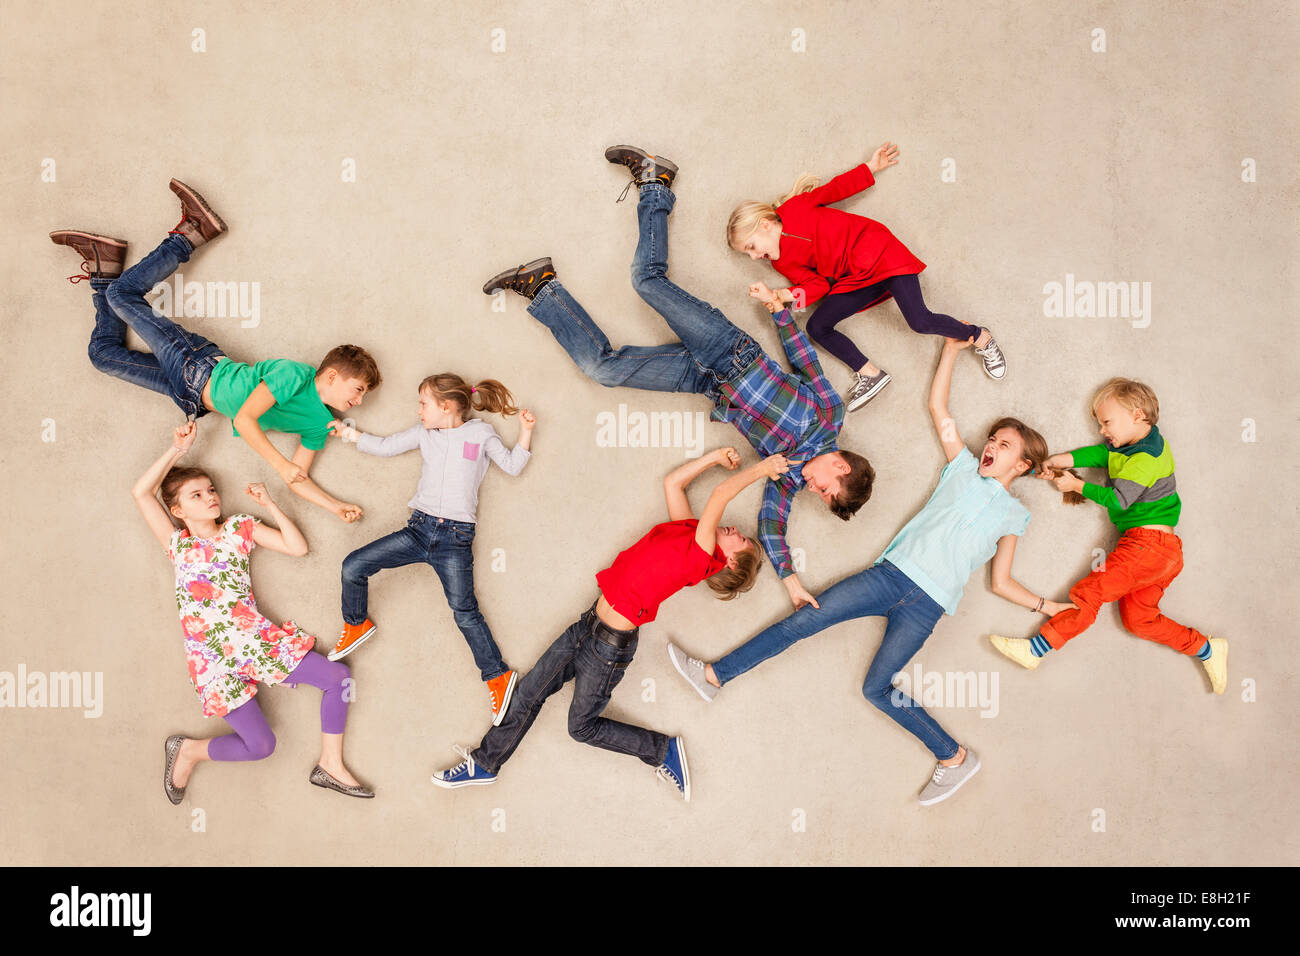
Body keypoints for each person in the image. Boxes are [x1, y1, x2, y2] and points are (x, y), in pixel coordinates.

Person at [667, 337, 1064, 805]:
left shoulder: (1015, 517)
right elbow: (939, 407)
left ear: (1023, 463)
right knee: (805, 618)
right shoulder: (961, 468)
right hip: (889, 577)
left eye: (1004, 445)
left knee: (876, 688)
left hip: (929, 606)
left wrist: (1047, 605)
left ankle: (954, 758)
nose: (991, 447)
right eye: (993, 439)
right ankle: (714, 676)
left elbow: (1001, 581)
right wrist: (952, 351)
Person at [484, 145, 874, 611]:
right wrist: (780, 314)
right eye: (826, 489)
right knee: (645, 281)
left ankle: (542, 288)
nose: (816, 490)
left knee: (602, 370)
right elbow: (804, 360)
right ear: (841, 467)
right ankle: (655, 185)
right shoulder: (830, 414)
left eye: (821, 497)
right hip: (730, 349)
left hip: (704, 382)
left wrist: (791, 583)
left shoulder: (786, 478)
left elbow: (772, 528)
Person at [430, 447, 777, 802]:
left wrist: (764, 468)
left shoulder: (703, 556)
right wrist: (714, 457)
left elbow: (721, 493)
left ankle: (662, 751)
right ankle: (485, 763)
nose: (736, 530)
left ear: (730, 563)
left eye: (743, 540)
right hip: (588, 624)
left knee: (580, 728)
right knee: (527, 692)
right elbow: (673, 483)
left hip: (609, 649)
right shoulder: (688, 533)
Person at [51, 179, 377, 523]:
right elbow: (245, 419)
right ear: (332, 375)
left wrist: (335, 505)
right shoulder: (294, 375)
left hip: (189, 395)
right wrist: (280, 464)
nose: (358, 402)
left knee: (102, 355)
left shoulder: (319, 425)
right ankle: (191, 232)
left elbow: (297, 479)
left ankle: (104, 266)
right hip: (197, 365)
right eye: (358, 390)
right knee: (122, 296)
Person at [132, 422, 373, 803]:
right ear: (177, 510)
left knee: (337, 678)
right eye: (196, 495)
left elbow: (297, 547)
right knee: (261, 745)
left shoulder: (238, 529)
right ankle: (190, 750)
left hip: (254, 643)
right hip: (210, 659)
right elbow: (141, 492)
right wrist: (177, 450)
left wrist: (270, 506)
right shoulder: (176, 544)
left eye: (211, 490)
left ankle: (330, 764)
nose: (210, 497)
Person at [990, 378, 1228, 693]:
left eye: (1106, 422)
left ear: (1137, 415)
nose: (1103, 430)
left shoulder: (1146, 459)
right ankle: (1206, 649)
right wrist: (1062, 461)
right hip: (1161, 553)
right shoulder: (1136, 443)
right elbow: (1103, 455)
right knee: (1138, 619)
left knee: (1091, 593)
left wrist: (1077, 486)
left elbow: (1118, 500)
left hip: (1148, 547)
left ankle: (1038, 649)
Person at [727, 142, 1006, 411]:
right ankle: (870, 373)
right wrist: (784, 296)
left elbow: (833, 190)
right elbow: (818, 285)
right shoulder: (781, 264)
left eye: (751, 247)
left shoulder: (795, 208)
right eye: (747, 255)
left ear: (764, 225)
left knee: (919, 321)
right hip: (854, 278)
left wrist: (870, 168)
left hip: (879, 252)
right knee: (817, 327)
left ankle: (980, 336)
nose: (754, 257)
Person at [327, 373, 536, 726]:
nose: (418, 410)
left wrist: (526, 432)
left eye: (423, 404)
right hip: (419, 531)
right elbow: (384, 445)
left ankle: (497, 676)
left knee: (465, 611)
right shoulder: (424, 434)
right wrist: (347, 432)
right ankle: (356, 623)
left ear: (447, 406)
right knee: (353, 565)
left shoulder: (481, 433)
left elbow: (513, 466)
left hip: (455, 539)